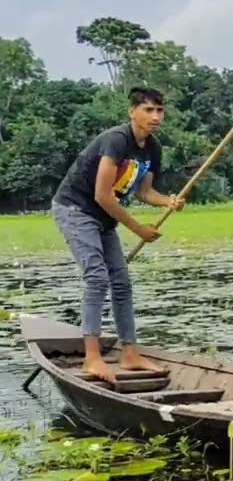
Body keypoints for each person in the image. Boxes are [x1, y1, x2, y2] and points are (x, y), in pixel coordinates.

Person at [50, 86, 184, 383]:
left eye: (159, 110)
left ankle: (130, 353)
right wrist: (138, 229)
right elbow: (102, 195)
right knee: (97, 277)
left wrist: (169, 201)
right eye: (148, 110)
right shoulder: (116, 141)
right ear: (132, 112)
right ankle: (93, 358)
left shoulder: (152, 148)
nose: (155, 116)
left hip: (104, 217)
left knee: (121, 282)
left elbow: (144, 192)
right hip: (76, 210)